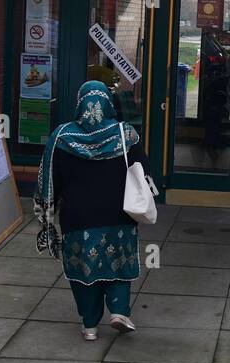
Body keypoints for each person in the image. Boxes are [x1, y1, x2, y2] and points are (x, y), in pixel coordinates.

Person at [34, 80, 151, 341]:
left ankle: (89, 325)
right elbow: (144, 171)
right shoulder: (125, 134)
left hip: (78, 218)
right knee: (119, 264)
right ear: (107, 103)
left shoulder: (61, 137)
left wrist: (47, 217)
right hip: (119, 216)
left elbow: (48, 180)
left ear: (80, 104)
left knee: (83, 270)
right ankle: (119, 311)